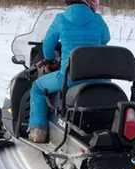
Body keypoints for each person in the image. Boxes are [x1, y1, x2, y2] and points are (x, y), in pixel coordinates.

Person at [29, 0, 110, 143]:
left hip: (70, 77)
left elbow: (48, 45)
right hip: (99, 78)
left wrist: (50, 59)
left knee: (37, 88)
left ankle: (38, 130)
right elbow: (105, 39)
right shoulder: (97, 19)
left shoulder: (61, 18)